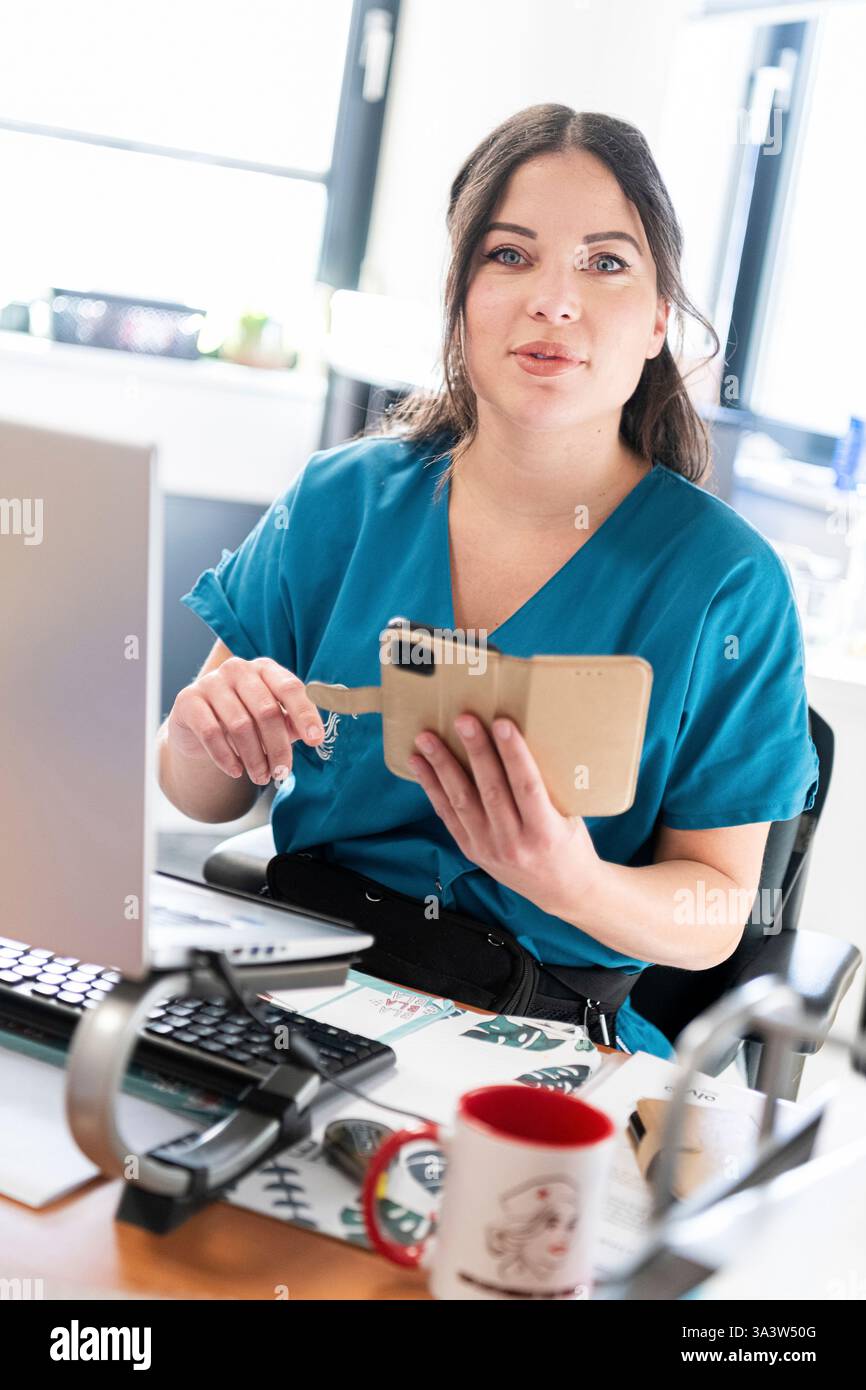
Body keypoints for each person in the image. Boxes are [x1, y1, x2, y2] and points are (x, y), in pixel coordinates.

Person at [162, 105, 819, 1060]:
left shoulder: (726, 584)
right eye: (510, 256)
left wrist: (566, 879)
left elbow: (718, 903)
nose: (555, 300)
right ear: (460, 297)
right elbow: (203, 794)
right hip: (298, 987)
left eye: (605, 262)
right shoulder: (341, 501)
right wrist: (197, 733)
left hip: (542, 1027)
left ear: (656, 323)